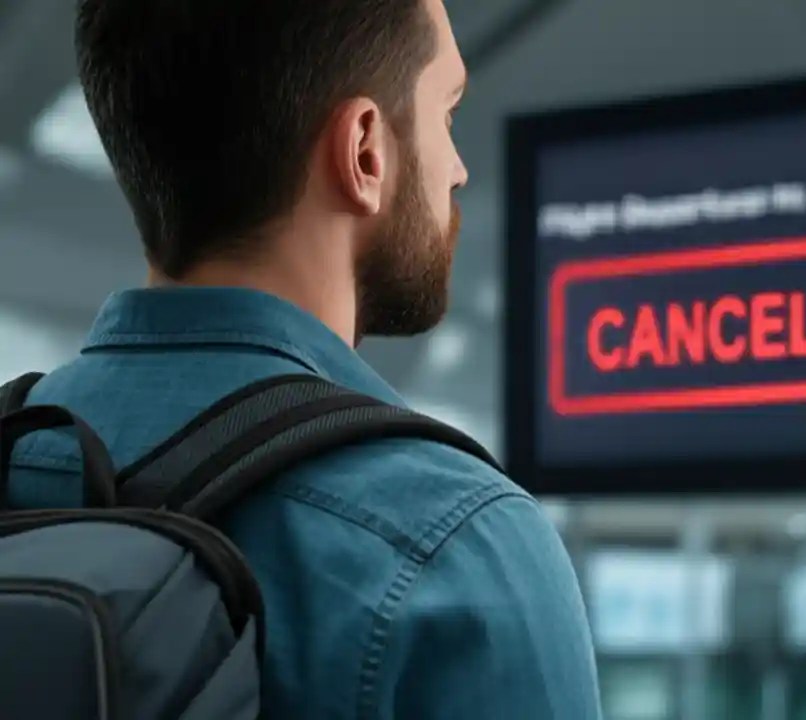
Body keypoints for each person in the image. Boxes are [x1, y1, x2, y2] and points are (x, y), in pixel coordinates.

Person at [5, 0, 602, 717]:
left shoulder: (20, 455)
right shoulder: (457, 541)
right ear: (364, 152)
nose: (459, 169)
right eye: (446, 114)